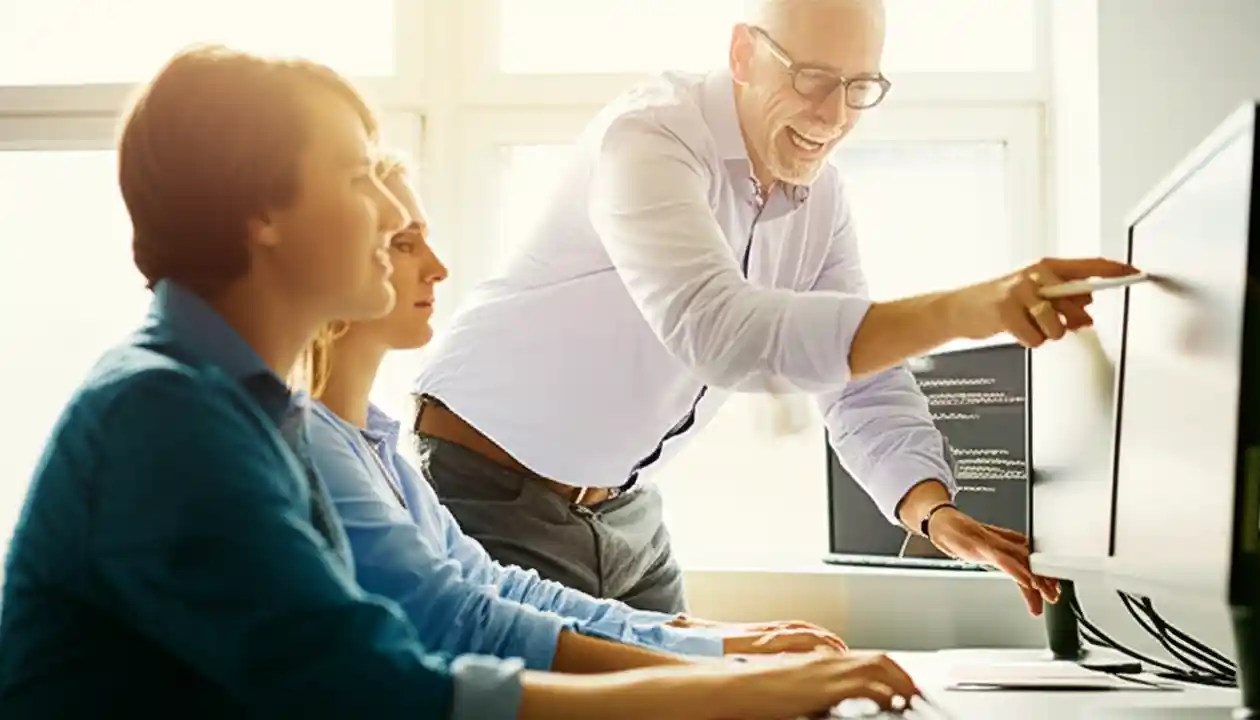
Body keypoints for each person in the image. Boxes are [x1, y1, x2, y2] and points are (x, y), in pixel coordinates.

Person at [0, 45, 923, 718]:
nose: (395, 219)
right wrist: (724, 689)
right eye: (360, 178)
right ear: (262, 215)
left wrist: (720, 667)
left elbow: (454, 606)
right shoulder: (165, 414)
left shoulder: (246, 412)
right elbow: (369, 681)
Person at [412, 0, 1126, 615]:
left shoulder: (823, 200)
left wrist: (930, 509)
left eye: (860, 87)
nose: (836, 115)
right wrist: (975, 307)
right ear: (743, 53)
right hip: (484, 490)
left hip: (622, 509)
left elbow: (856, 378)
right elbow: (723, 335)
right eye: (814, 79)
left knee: (708, 699)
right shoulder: (651, 137)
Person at [301, 152, 851, 676]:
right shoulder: (313, 450)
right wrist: (723, 670)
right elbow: (460, 621)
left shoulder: (379, 456)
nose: (439, 269)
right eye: (401, 243)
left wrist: (717, 644)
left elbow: (499, 587)